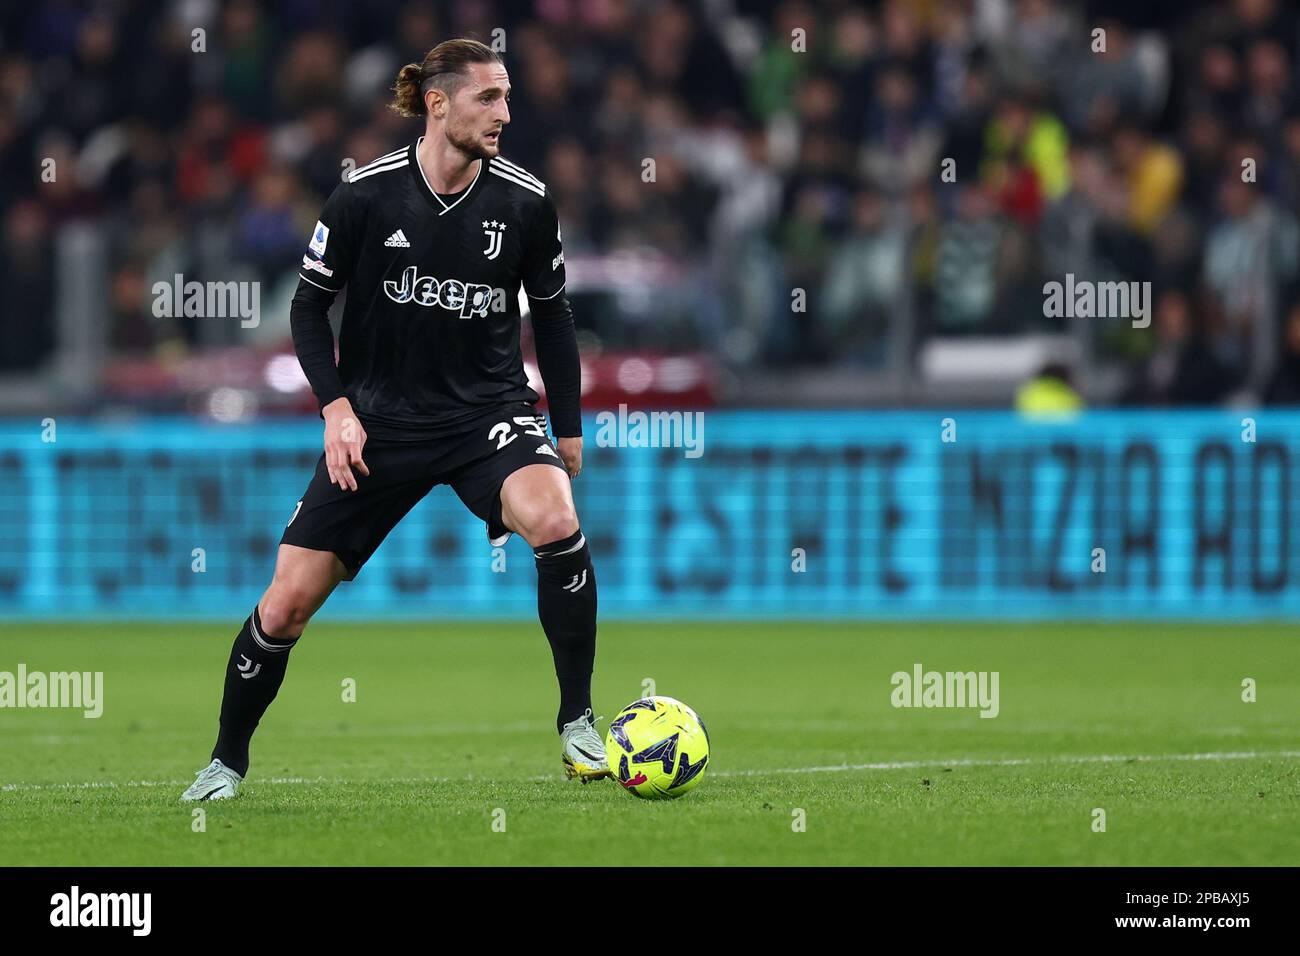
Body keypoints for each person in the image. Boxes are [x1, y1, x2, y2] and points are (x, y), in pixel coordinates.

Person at [182, 38, 607, 800]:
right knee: (285, 605)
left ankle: (578, 722)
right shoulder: (364, 197)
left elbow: (554, 316)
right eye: (489, 98)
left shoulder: (526, 202)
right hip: (378, 423)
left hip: (488, 415)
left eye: (508, 98)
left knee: (554, 519)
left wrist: (566, 424)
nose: (505, 114)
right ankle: (225, 762)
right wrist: (336, 409)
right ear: (438, 104)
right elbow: (308, 307)